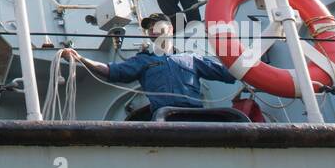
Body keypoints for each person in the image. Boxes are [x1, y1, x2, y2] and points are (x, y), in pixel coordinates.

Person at [62, 13, 236, 117]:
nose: (152, 29)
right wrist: (81, 59)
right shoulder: (143, 60)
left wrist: (222, 43)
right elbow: (112, 71)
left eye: (157, 25)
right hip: (165, 117)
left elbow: (229, 74)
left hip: (197, 117)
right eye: (149, 27)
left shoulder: (192, 59)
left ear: (170, 28)